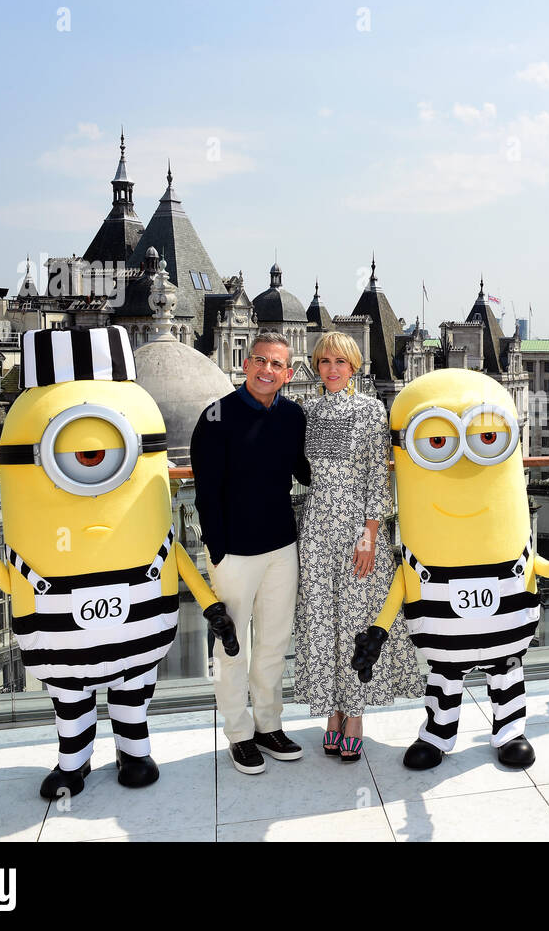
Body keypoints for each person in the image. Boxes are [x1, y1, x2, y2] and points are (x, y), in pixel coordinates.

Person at [292, 332, 423, 761]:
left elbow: (375, 475)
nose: (332, 368)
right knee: (321, 623)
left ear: (354, 367)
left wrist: (370, 534)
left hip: (356, 532)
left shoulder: (369, 410)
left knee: (354, 623)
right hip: (315, 529)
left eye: (340, 362)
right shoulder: (307, 410)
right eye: (325, 360)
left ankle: (355, 714)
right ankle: (331, 710)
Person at [190, 332, 311, 775]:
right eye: (260, 360)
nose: (267, 370)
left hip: (282, 545)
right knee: (231, 647)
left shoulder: (294, 415)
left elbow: (306, 469)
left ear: (289, 373)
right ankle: (238, 735)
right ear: (245, 363)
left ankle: (268, 725)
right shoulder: (217, 415)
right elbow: (205, 493)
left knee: (275, 642)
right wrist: (218, 550)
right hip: (234, 552)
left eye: (277, 364)